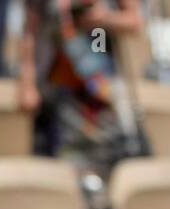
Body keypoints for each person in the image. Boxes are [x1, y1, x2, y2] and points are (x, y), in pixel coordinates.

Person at [20, 0, 143, 176]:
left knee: (108, 167)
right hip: (59, 90)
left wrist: (103, 18)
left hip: (101, 92)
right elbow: (30, 31)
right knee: (60, 169)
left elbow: (135, 21)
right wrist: (27, 84)